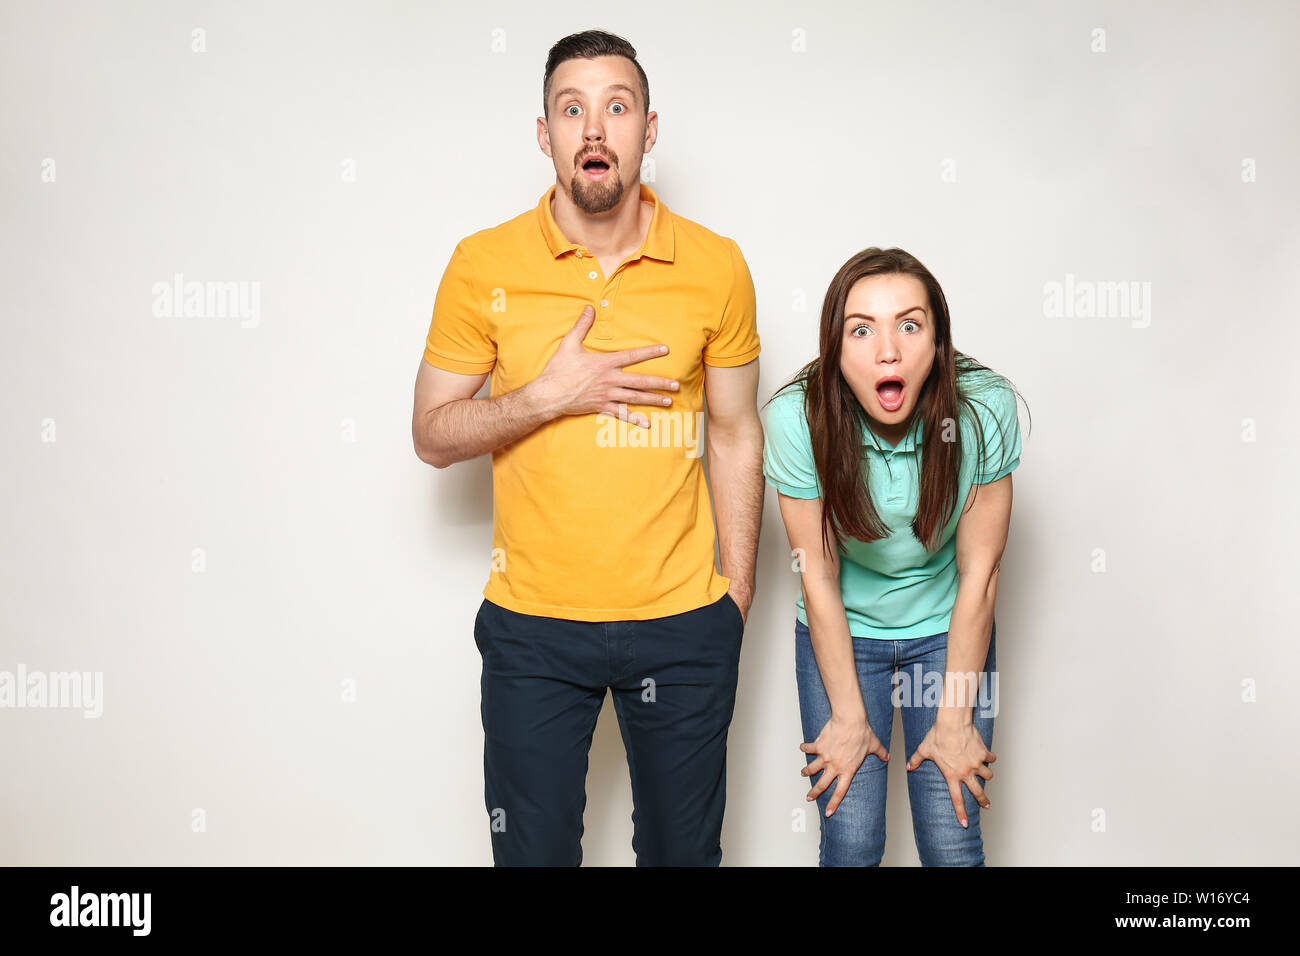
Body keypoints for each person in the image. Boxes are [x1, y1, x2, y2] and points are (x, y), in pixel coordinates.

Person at [411, 30, 763, 866]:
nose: (594, 128)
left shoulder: (716, 267)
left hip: (683, 623)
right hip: (533, 628)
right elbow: (430, 433)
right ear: (545, 134)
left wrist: (735, 596)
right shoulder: (481, 264)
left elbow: (734, 430)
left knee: (684, 858)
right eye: (572, 109)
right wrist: (542, 397)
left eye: (616, 106)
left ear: (648, 127)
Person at [761, 247, 1027, 866]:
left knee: (952, 836)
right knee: (850, 842)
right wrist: (849, 718)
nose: (888, 351)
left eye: (910, 325)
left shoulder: (982, 410)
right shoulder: (796, 417)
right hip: (842, 630)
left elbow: (980, 575)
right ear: (835, 347)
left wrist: (956, 720)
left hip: (947, 630)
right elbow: (817, 578)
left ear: (938, 342)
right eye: (862, 329)